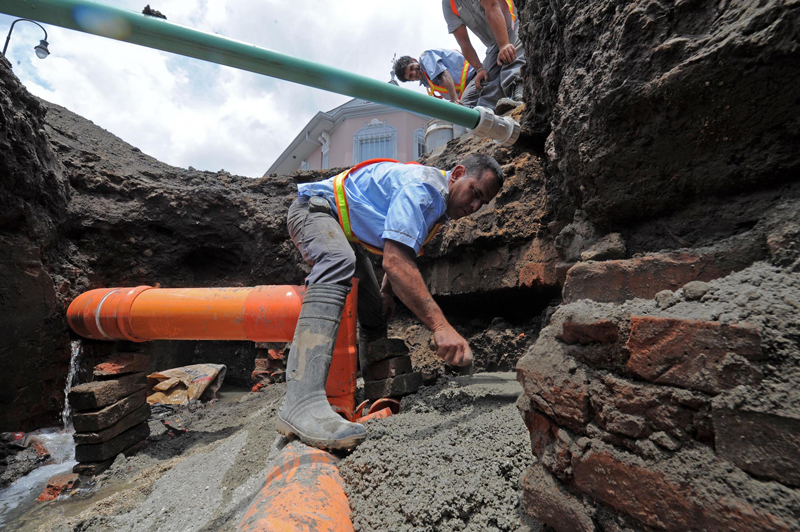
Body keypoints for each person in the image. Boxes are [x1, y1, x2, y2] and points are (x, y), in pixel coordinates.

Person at [277, 154, 505, 450]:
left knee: (375, 309)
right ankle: (301, 401)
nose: (475, 207)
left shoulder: (439, 207)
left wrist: (385, 290)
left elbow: (402, 251)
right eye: (475, 193)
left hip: (347, 234)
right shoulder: (423, 190)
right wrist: (440, 326)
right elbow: (396, 263)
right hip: (314, 211)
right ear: (458, 173)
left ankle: (376, 388)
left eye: (482, 203)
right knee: (337, 260)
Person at [443, 0, 525, 115]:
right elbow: (464, 43)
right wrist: (479, 68)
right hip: (494, 44)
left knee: (511, 57)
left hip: (511, 22)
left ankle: (518, 95)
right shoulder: (448, 4)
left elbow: (492, 6)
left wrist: (504, 45)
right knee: (486, 80)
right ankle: (487, 116)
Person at [394, 50, 480, 107]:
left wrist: (454, 99)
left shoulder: (425, 58)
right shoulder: (427, 83)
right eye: (410, 76)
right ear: (411, 80)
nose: (414, 73)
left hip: (474, 77)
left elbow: (444, 74)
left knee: (465, 114)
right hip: (468, 88)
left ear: (414, 60)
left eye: (412, 68)